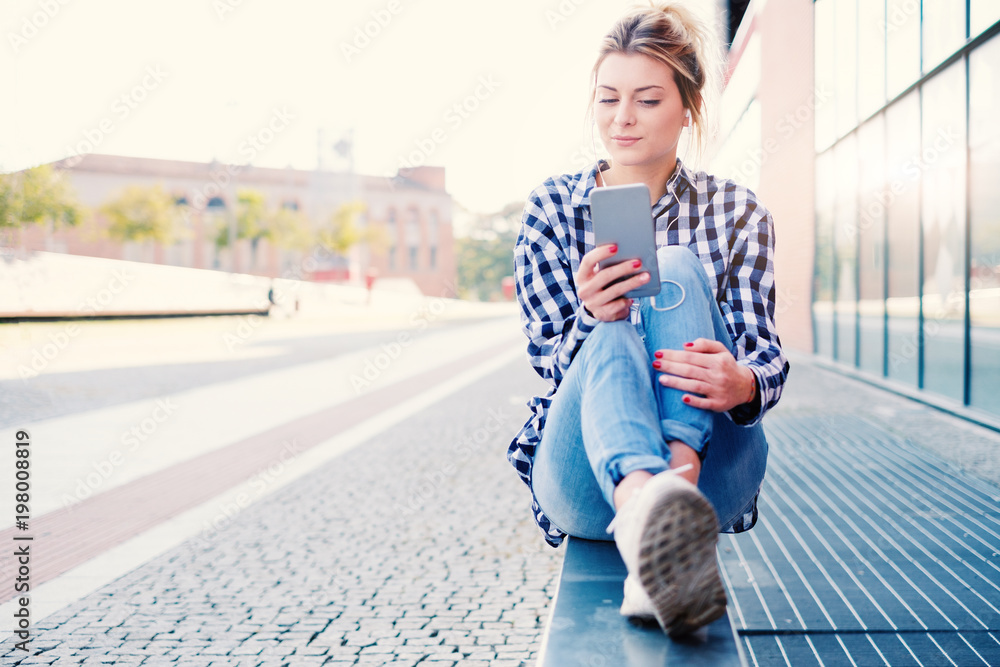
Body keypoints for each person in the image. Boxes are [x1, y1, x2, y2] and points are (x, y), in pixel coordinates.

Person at [507, 1, 790, 637]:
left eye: (647, 99)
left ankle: (667, 502)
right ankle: (646, 502)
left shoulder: (738, 211)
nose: (622, 118)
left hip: (714, 466)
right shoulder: (552, 209)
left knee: (678, 266)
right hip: (587, 476)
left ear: (688, 105)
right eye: (608, 99)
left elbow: (766, 358)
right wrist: (588, 315)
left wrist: (742, 382)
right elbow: (550, 363)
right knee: (609, 323)